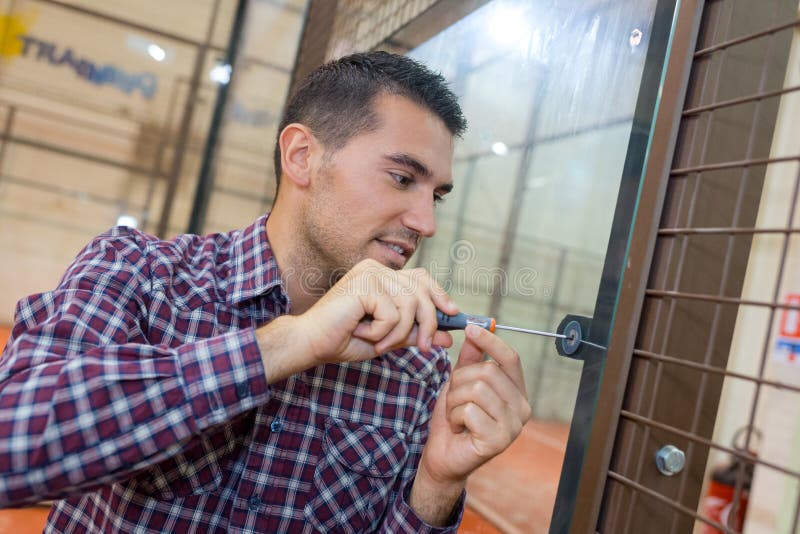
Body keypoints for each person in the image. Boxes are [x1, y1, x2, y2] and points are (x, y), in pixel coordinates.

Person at [0, 51, 530, 533]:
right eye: (400, 178)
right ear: (301, 156)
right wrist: (289, 343)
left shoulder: (416, 366)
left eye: (436, 194)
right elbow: (12, 444)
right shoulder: (141, 274)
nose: (426, 221)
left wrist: (436, 486)